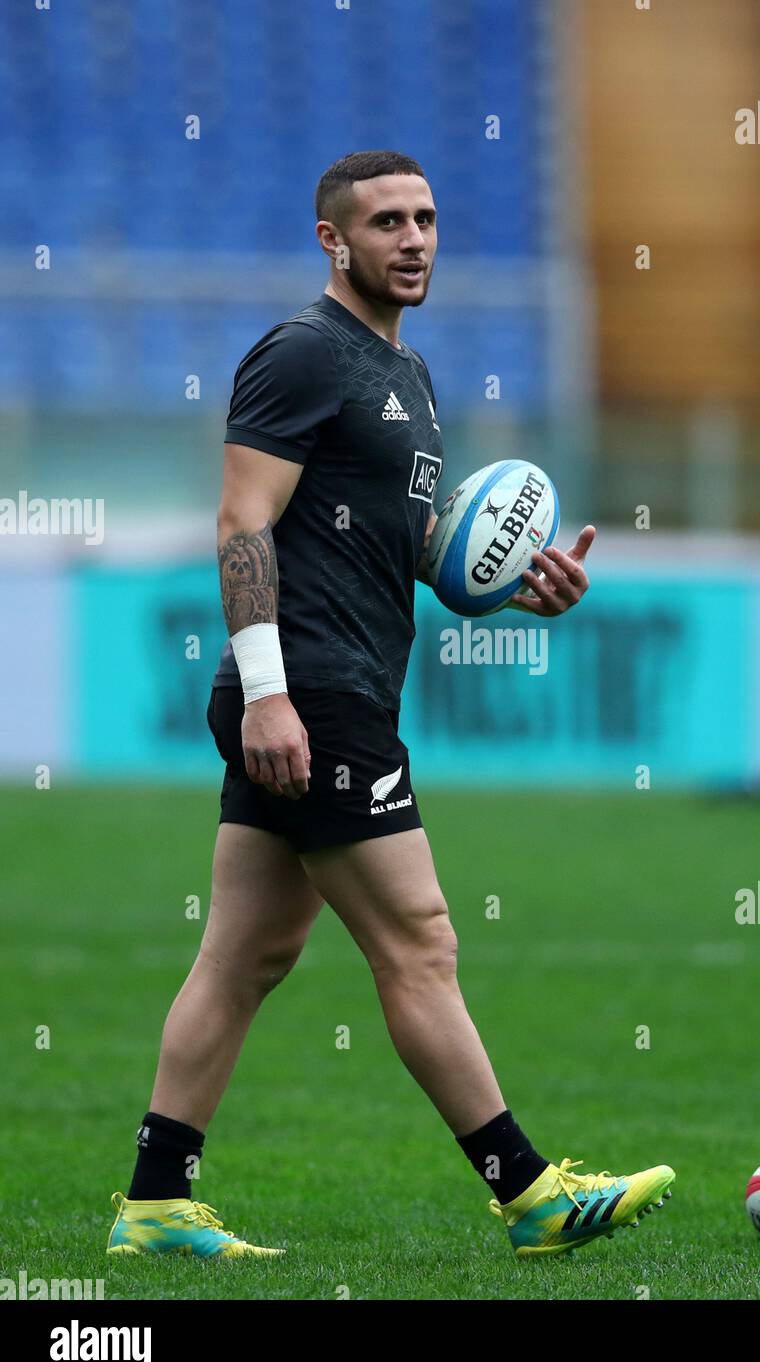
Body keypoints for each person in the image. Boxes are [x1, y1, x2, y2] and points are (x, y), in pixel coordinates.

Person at [106, 150, 674, 1260]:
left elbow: (409, 548)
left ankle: (155, 1203)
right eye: (384, 223)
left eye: (424, 218)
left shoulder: (405, 378)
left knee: (243, 954)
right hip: (310, 692)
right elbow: (241, 522)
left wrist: (516, 585)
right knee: (418, 940)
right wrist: (270, 696)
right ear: (332, 240)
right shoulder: (302, 352)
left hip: (331, 687)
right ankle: (530, 1192)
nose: (411, 239)